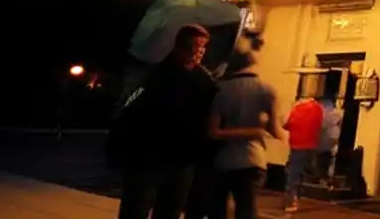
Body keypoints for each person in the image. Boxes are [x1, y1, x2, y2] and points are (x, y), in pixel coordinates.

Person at [112, 24, 218, 219]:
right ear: (180, 47)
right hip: (148, 159)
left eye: (203, 47)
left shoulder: (204, 81)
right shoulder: (156, 76)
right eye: (196, 47)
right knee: (136, 209)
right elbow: (131, 111)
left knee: (170, 211)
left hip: (182, 161)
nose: (200, 52)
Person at [208, 48, 282, 219]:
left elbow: (213, 131)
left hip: (223, 161)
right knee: (246, 210)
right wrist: (258, 130)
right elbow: (275, 128)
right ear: (252, 65)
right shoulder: (266, 89)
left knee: (217, 209)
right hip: (253, 159)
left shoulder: (220, 90)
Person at [283, 95, 324, 213]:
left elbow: (287, 124)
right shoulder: (318, 109)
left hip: (298, 145)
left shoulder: (298, 108)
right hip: (311, 145)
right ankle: (299, 195)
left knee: (293, 173)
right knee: (303, 171)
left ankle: (291, 201)